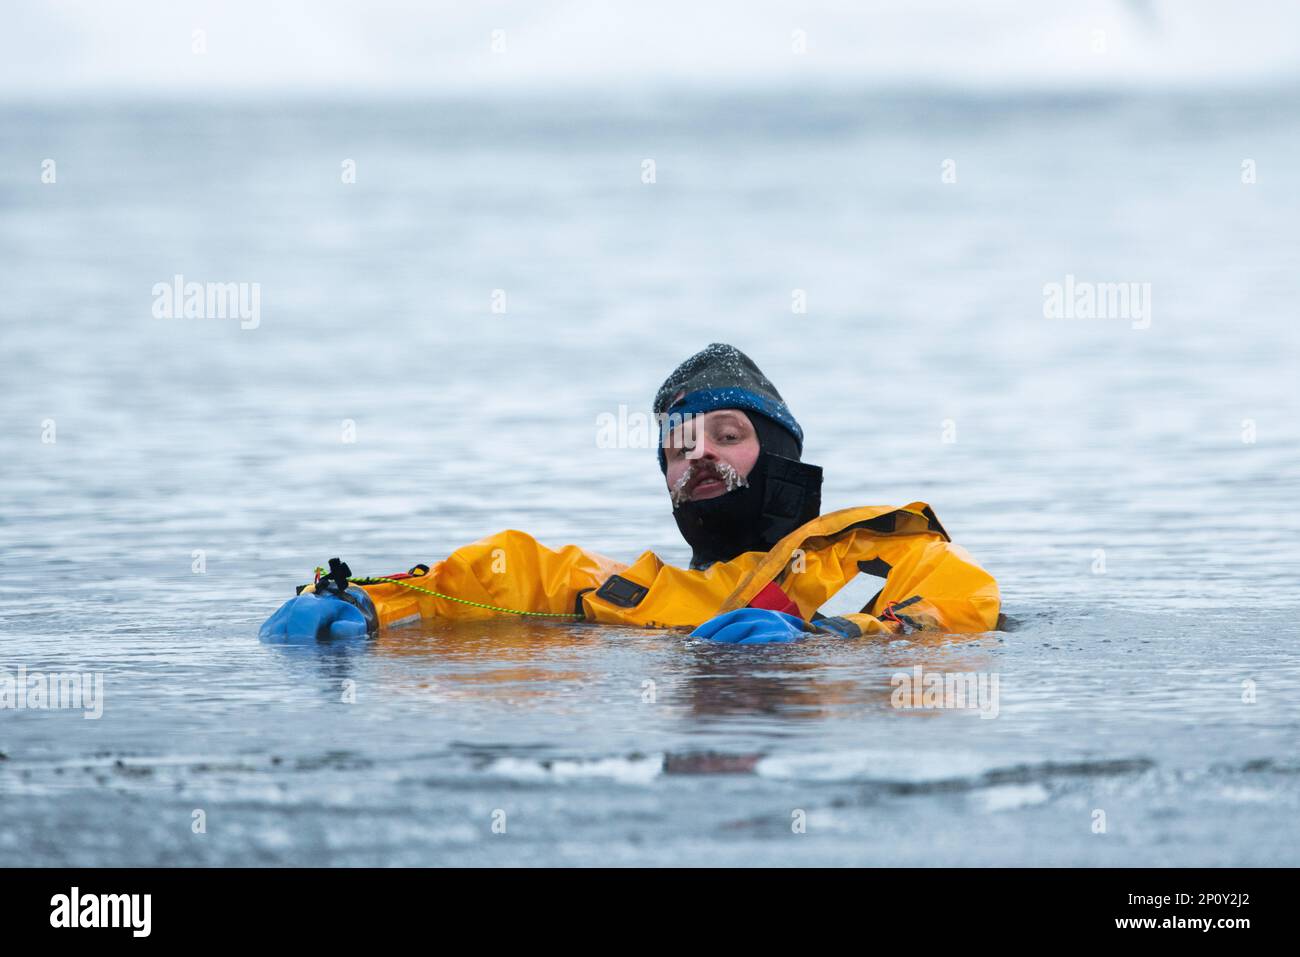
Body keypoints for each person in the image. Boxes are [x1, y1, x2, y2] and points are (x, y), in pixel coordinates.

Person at [260, 344, 1000, 644]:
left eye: (726, 434)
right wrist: (358, 602)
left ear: (776, 455)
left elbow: (965, 605)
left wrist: (832, 642)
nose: (700, 453)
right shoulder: (622, 591)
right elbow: (495, 575)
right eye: (679, 446)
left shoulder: (874, 549)